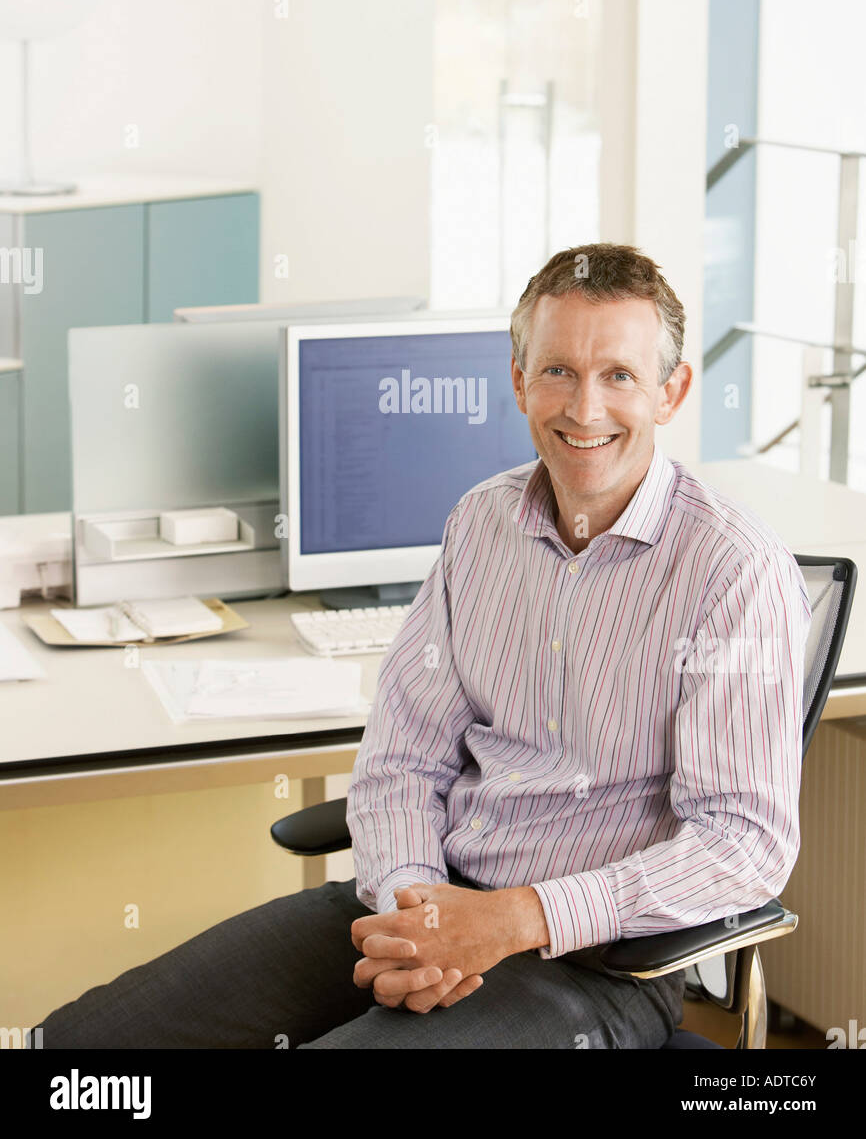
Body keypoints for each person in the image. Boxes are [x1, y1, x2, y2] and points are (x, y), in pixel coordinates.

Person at [32, 243, 811, 1049]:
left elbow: (742, 844)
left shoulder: (733, 570)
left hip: (593, 966)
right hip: (426, 903)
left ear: (671, 391)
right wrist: (417, 906)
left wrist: (509, 921)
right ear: (517, 379)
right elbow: (403, 759)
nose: (585, 408)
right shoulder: (480, 524)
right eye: (557, 372)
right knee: (80, 1047)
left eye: (618, 375)